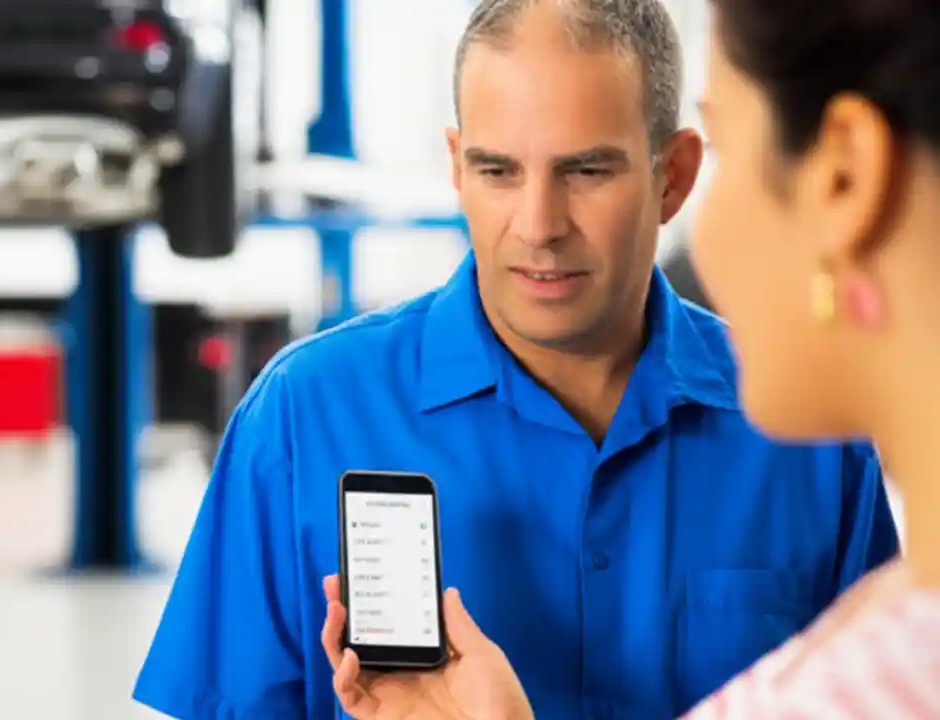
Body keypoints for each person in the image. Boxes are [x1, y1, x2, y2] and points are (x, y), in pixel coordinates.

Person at [134, 0, 902, 718]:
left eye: (586, 171)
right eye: (499, 170)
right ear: (458, 165)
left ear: (674, 176)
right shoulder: (304, 417)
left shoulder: (807, 425)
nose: (538, 225)